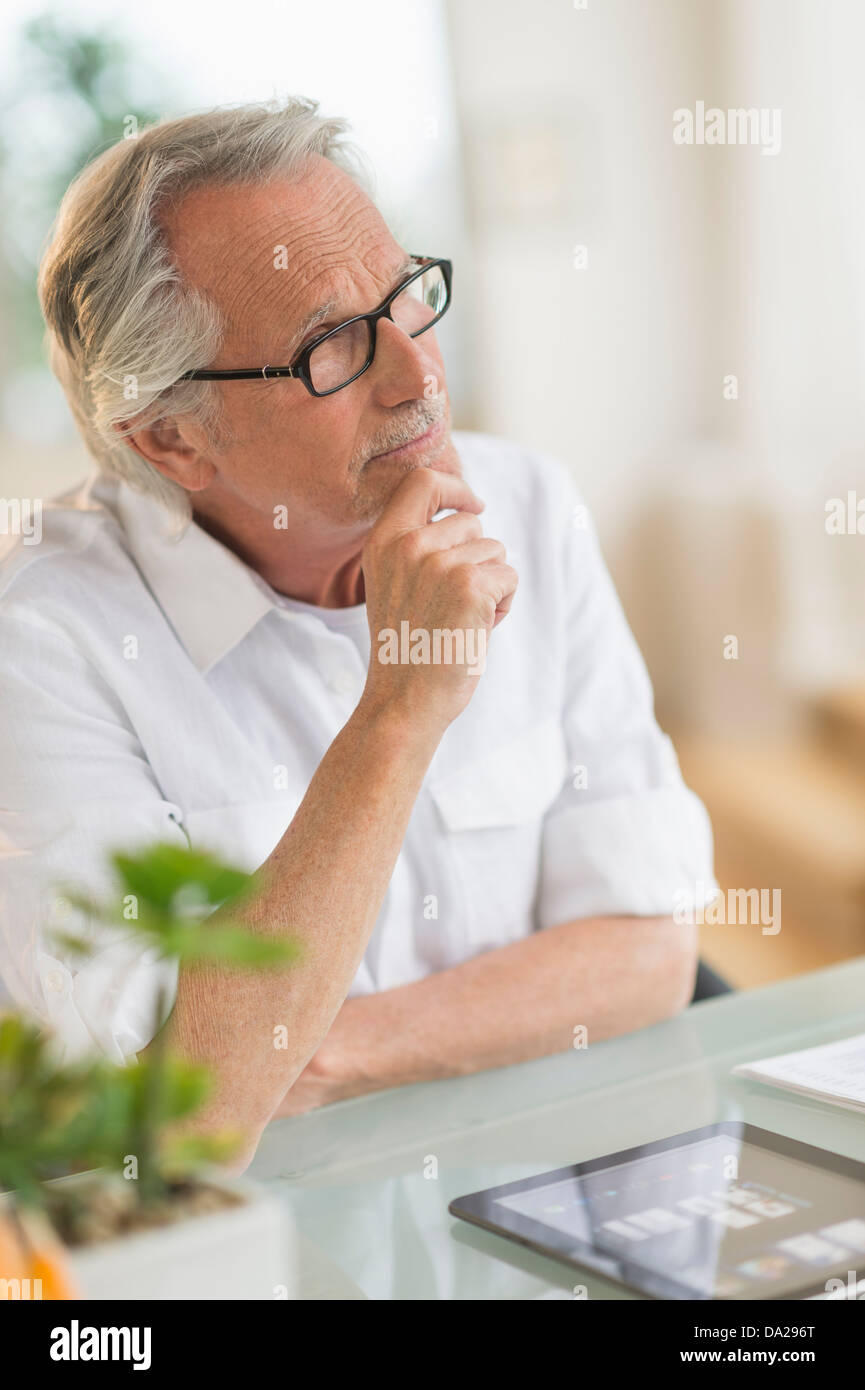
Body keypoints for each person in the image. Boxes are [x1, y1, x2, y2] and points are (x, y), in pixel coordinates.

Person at [0, 100, 719, 1169]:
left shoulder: (527, 502)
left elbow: (650, 955)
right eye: (331, 344)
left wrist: (311, 1053)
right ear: (171, 437)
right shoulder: (42, 645)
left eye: (406, 296)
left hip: (528, 1177)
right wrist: (398, 711)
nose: (421, 375)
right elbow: (163, 1130)